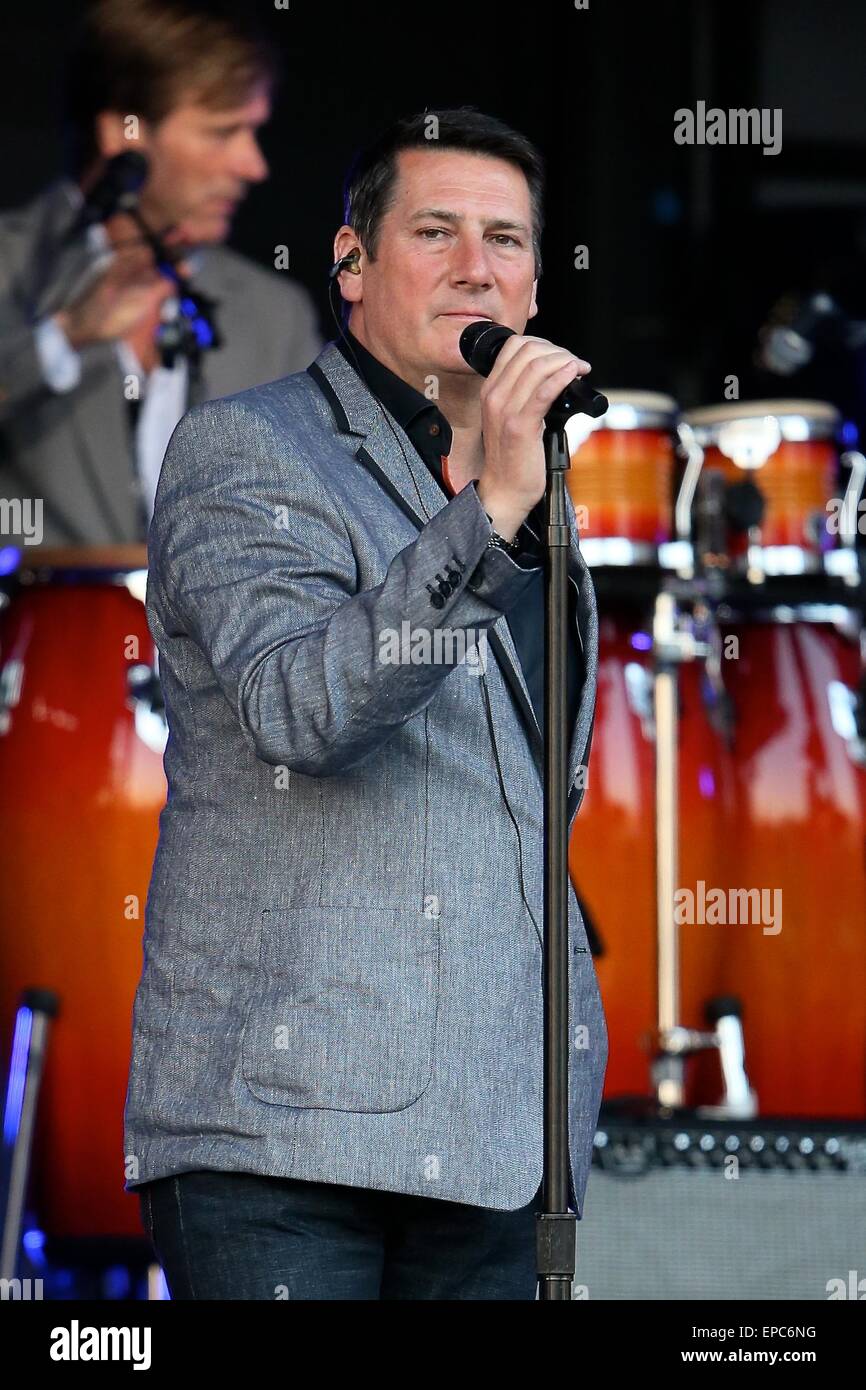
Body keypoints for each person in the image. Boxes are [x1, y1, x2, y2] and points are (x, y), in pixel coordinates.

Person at [124, 107, 608, 1300]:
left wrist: (505, 499)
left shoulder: (529, 482)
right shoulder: (245, 450)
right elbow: (302, 706)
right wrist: (486, 513)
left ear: (536, 285)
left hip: (499, 1140)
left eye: (503, 240)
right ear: (348, 262)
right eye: (433, 231)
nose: (473, 265)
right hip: (287, 1146)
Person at [0, 0, 321, 547]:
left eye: (253, 131)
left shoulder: (276, 315)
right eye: (223, 132)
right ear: (123, 133)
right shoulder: (13, 264)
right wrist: (60, 339)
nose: (254, 165)